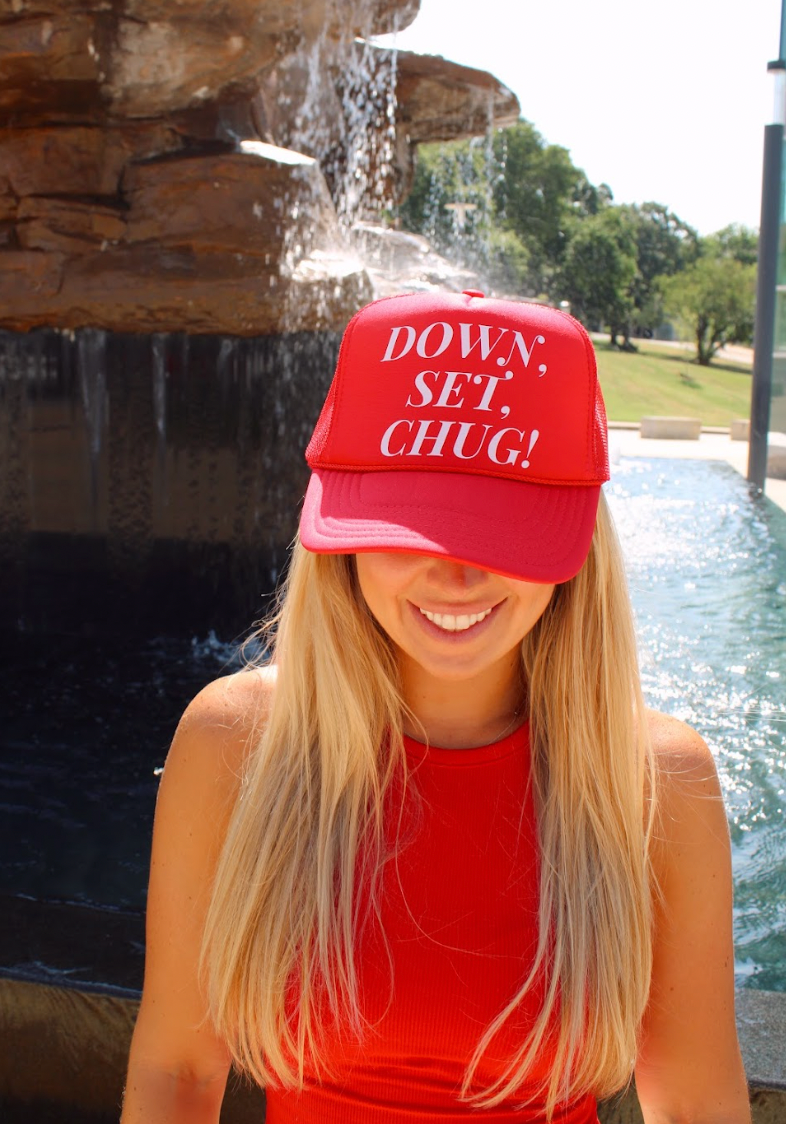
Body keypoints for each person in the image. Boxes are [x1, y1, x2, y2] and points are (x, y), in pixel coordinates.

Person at [121, 291, 750, 1124]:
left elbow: (698, 1104)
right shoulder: (233, 744)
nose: (457, 576)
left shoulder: (658, 782)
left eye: (506, 523)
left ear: (579, 539)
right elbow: (176, 1069)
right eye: (411, 524)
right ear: (339, 533)